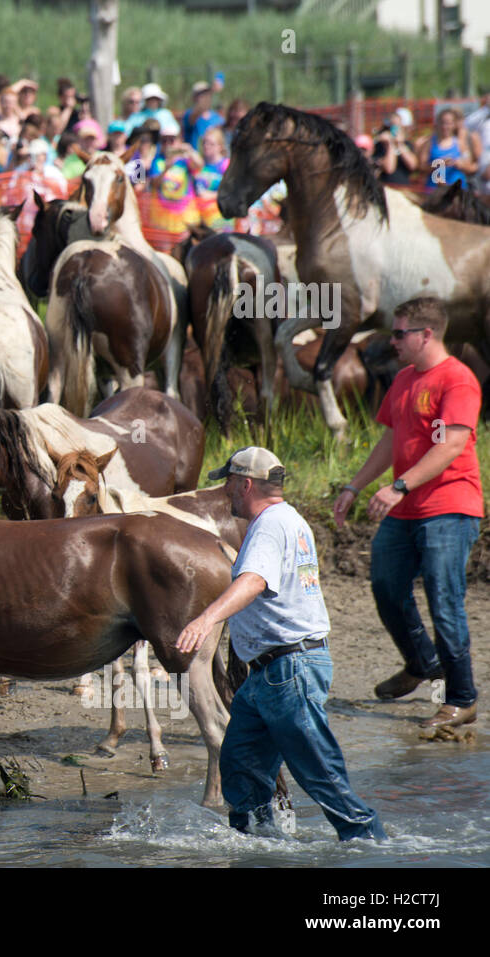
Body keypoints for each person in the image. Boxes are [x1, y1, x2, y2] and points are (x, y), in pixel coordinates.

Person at [178, 447, 385, 842]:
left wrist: (206, 618)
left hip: (289, 670)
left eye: (228, 484)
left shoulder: (270, 525)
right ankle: (260, 844)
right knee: (239, 764)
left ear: (246, 484)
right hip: (270, 673)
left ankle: (369, 844)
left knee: (319, 773)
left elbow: (253, 581)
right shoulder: (288, 520)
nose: (225, 493)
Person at [332, 297, 481, 729]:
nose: (392, 341)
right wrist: (354, 486)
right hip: (407, 509)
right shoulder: (402, 380)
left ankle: (462, 699)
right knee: (385, 585)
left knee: (443, 599)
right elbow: (390, 440)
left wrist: (399, 486)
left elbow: (451, 444)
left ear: (425, 335)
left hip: (450, 507)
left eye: (399, 333)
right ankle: (420, 663)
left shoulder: (458, 380)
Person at [420, 107, 478, 189]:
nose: (445, 127)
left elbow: (470, 167)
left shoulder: (460, 144)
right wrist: (438, 164)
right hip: (434, 190)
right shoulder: (429, 143)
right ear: (437, 123)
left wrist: (459, 164)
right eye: (442, 123)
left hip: (456, 190)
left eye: (448, 123)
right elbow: (422, 167)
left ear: (453, 125)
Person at [181, 82, 224, 151]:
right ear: (194, 97)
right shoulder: (189, 114)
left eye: (207, 94)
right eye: (201, 95)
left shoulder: (217, 118)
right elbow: (193, 118)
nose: (205, 97)